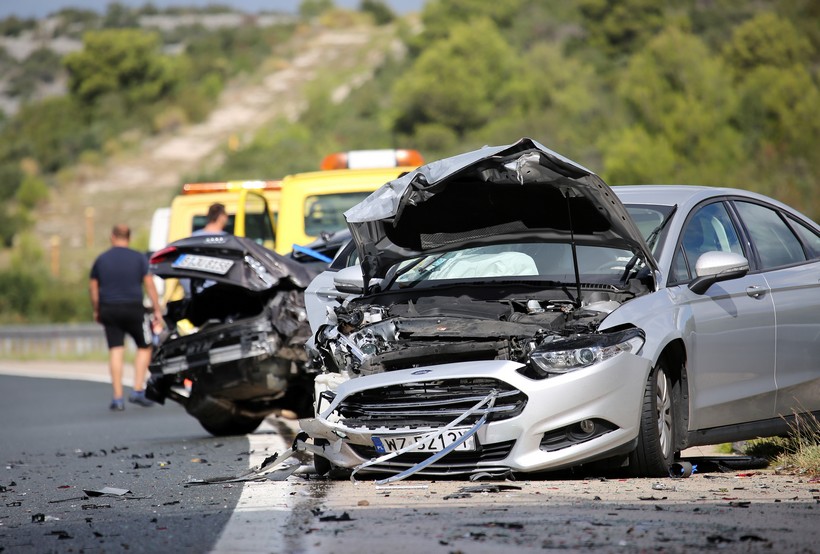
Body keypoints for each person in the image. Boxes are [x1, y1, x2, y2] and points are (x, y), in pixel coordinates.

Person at [89, 224, 163, 411]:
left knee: (116, 349)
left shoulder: (101, 260)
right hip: (133, 308)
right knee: (145, 346)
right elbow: (149, 285)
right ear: (128, 238)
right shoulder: (138, 258)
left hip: (109, 309)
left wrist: (97, 310)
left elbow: (93, 288)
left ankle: (117, 397)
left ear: (112, 237)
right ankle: (137, 389)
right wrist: (157, 309)